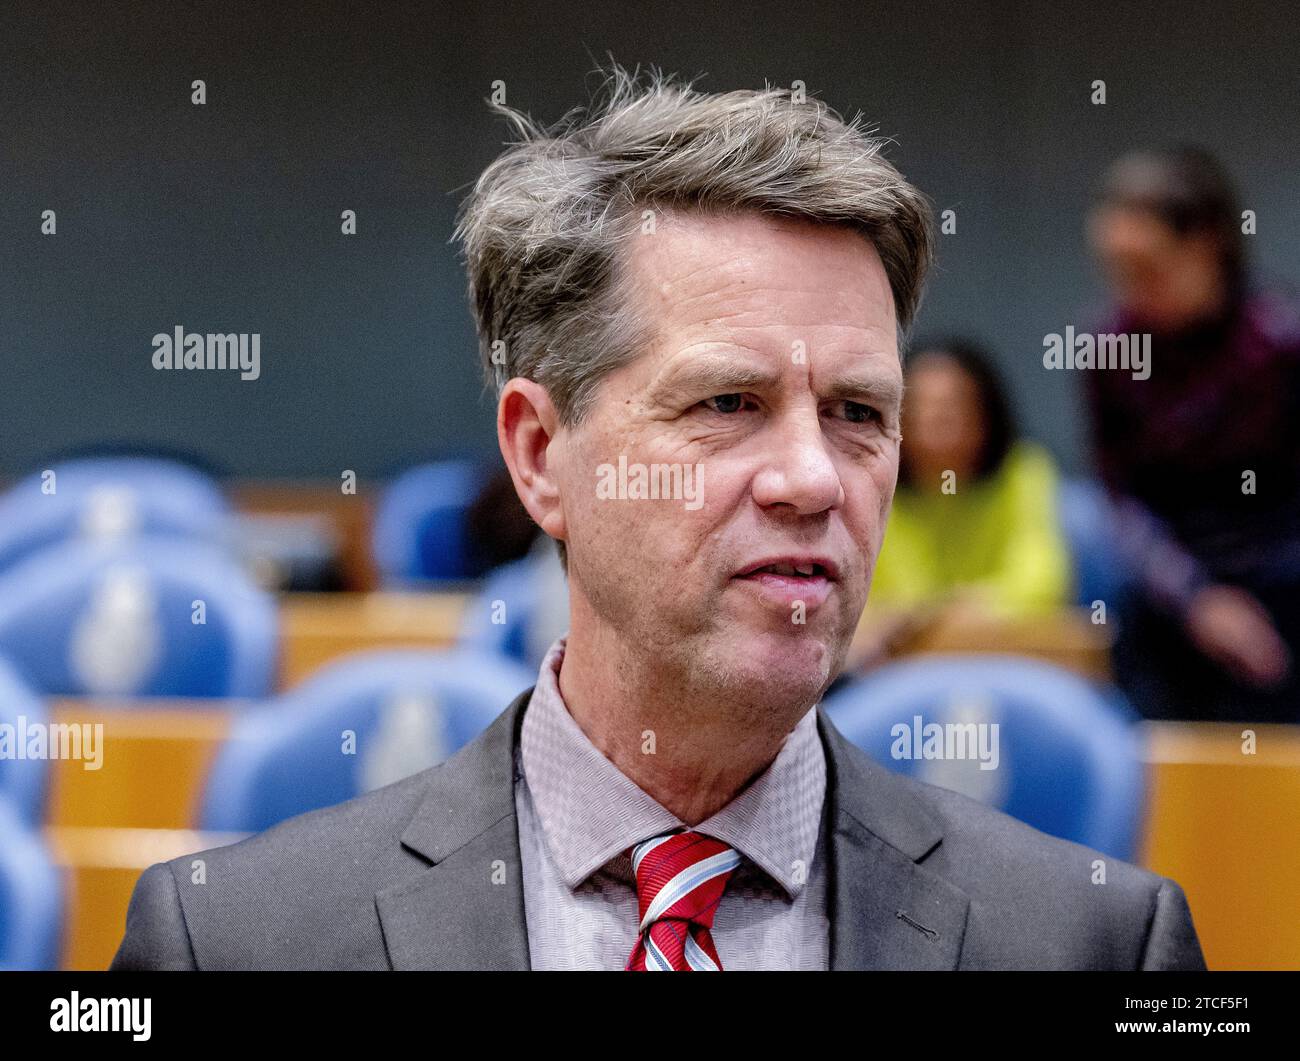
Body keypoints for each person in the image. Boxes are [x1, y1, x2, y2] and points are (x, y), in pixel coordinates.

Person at [111, 66, 1204, 971]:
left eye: (859, 412)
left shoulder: (1100, 946)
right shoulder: (234, 942)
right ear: (543, 455)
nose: (813, 479)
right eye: (728, 403)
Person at [1085, 146, 1300, 722]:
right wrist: (1197, 599)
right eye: (1117, 270)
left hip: (1283, 589)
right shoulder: (1111, 350)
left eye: (1146, 267)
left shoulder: (1281, 344)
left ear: (1207, 243)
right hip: (1172, 602)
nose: (1129, 289)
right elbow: (1121, 500)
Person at [863, 339, 1071, 624]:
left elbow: (1043, 583)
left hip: (1000, 646)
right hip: (899, 660)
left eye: (950, 410)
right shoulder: (872, 480)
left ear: (986, 417)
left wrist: (964, 609)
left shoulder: (1022, 474)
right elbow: (860, 599)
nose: (934, 423)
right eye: (920, 409)